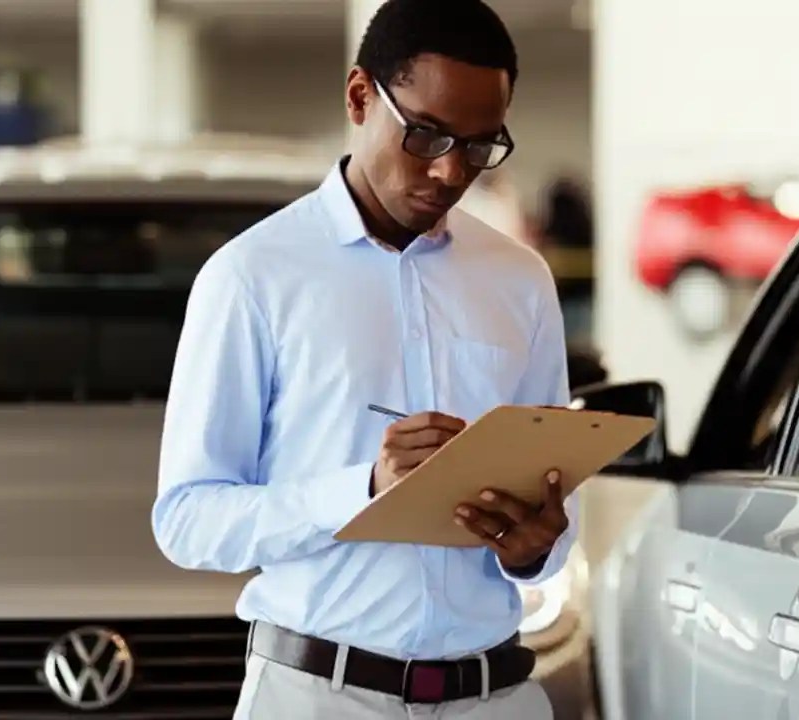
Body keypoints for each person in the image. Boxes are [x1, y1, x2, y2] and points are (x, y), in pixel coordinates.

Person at [150, 1, 576, 717]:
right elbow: (188, 520)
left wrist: (533, 548)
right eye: (426, 135)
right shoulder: (254, 276)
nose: (448, 171)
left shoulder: (520, 280)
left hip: (494, 697)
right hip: (316, 697)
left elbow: (557, 512)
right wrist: (365, 487)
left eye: (478, 146)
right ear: (359, 97)